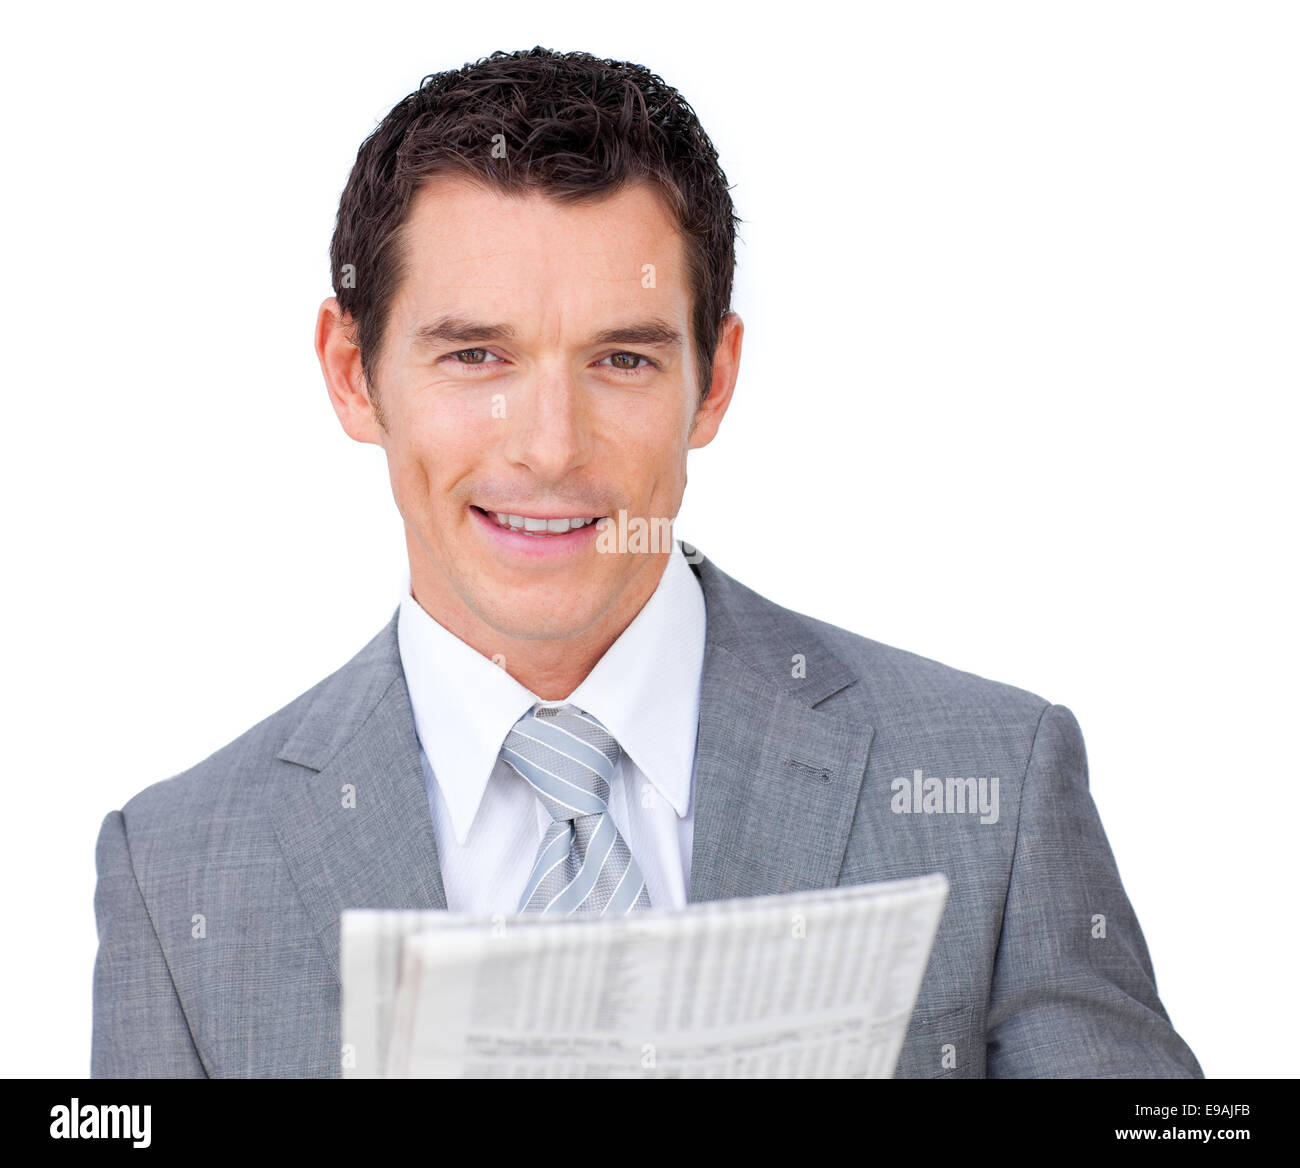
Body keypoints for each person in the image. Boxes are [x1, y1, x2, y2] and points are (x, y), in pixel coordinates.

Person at [91, 46, 1201, 1078]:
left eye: (621, 357)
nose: (548, 446)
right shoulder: (177, 871)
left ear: (712, 381)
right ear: (351, 372)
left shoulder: (995, 785)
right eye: (475, 354)